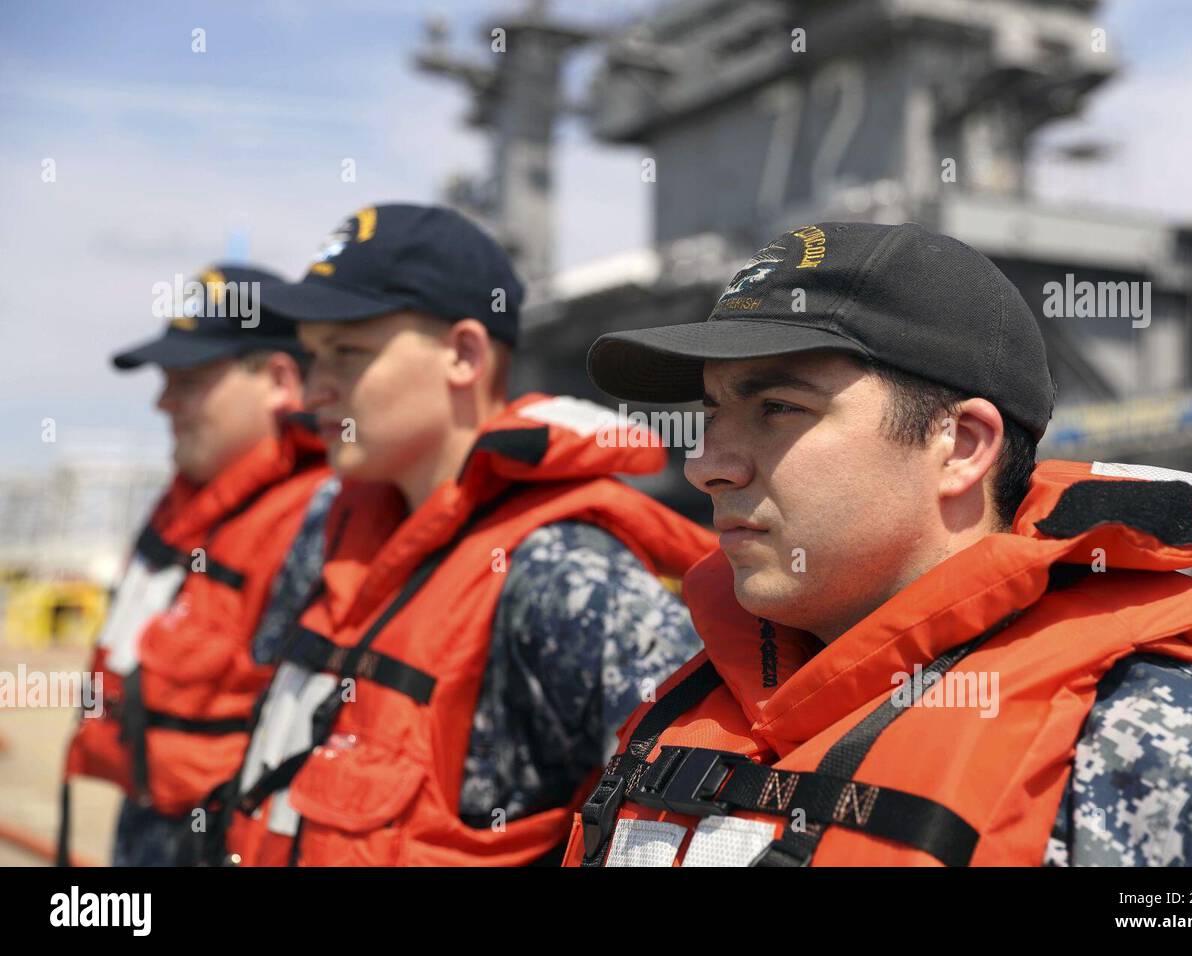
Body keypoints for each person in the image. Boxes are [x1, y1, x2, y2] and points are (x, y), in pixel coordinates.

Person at [563, 220, 1192, 867]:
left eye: (779, 407)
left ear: (961, 445)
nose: (705, 463)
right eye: (712, 411)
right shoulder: (677, 700)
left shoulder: (1166, 748)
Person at [219, 203, 714, 866]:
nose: (313, 393)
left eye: (346, 353)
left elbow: (695, 821)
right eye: (311, 357)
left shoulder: (560, 570)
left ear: (464, 354)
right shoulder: (331, 527)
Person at [60, 264, 334, 866]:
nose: (162, 403)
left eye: (188, 379)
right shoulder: (186, 505)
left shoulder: (321, 522)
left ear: (279, 381)